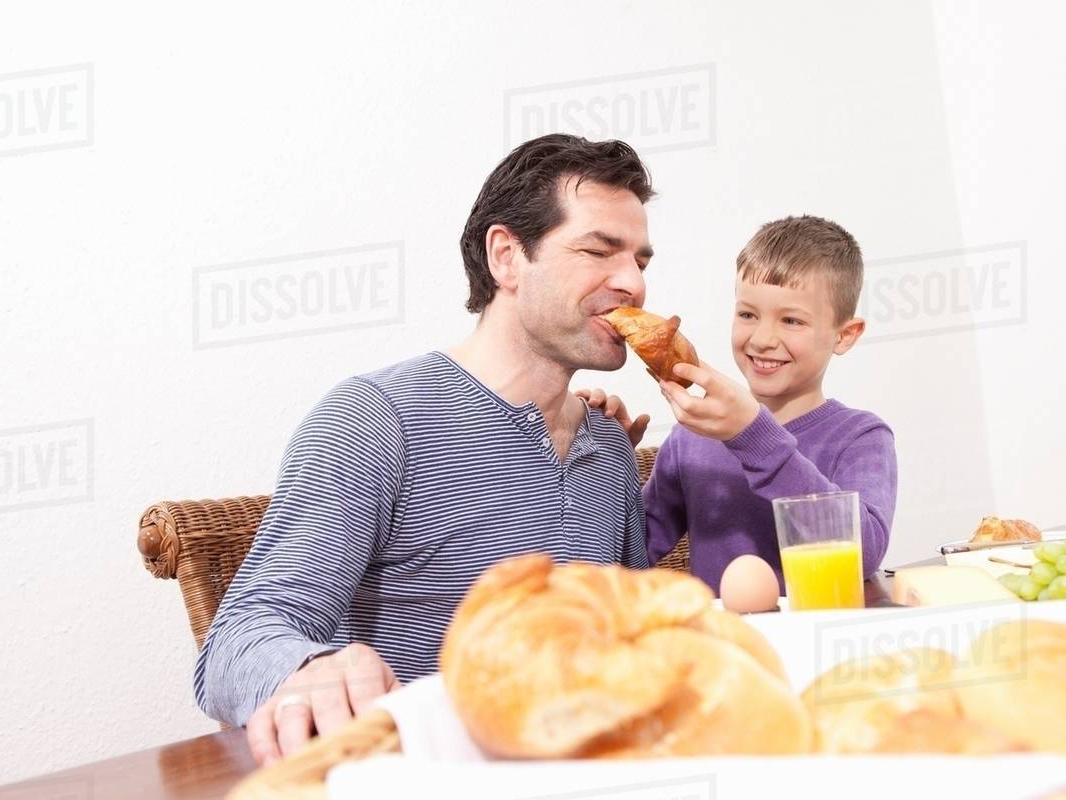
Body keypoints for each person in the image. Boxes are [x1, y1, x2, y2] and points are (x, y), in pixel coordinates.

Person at [194, 134, 657, 765]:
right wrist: (311, 669)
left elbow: (632, 640)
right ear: (507, 257)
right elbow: (239, 640)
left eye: (641, 261)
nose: (632, 282)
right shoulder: (376, 417)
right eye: (599, 251)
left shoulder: (608, 445)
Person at [583, 215, 896, 592]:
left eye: (792, 321)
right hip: (720, 646)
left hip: (817, 643)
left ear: (845, 335)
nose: (763, 338)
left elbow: (864, 554)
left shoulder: (860, 437)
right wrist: (606, 464)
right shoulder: (691, 439)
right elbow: (625, 557)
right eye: (748, 314)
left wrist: (754, 435)